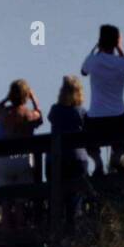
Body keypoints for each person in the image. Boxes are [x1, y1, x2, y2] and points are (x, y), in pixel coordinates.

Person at [0, 80, 43, 231]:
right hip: (23, 160)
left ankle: (6, 237)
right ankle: (20, 235)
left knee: (5, 203)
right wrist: (34, 99)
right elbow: (40, 117)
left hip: (3, 161)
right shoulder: (29, 114)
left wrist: (6, 99)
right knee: (21, 203)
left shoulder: (3, 113)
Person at [80, 25, 124, 175]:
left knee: (87, 138)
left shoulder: (93, 60)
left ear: (100, 41)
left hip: (96, 117)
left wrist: (96, 49)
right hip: (118, 116)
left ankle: (97, 162)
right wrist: (120, 48)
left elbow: (83, 71)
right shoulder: (123, 63)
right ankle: (116, 158)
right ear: (117, 41)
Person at [47, 77, 92, 227]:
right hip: (77, 158)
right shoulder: (81, 112)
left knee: (56, 199)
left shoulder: (55, 111)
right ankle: (74, 234)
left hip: (55, 159)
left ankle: (56, 234)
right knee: (76, 199)